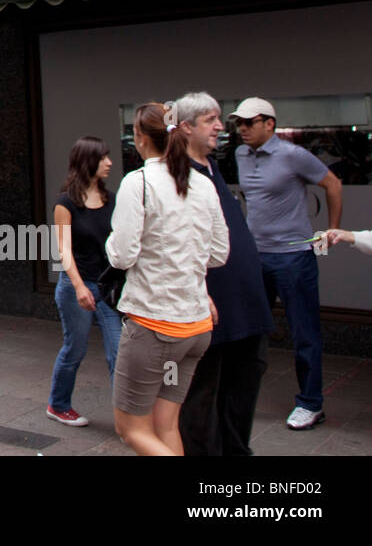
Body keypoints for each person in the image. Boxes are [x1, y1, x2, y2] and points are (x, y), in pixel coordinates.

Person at [106, 100, 229, 456]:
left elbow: (122, 255)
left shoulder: (139, 182)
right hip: (193, 334)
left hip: (153, 332)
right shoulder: (202, 183)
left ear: (139, 137)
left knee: (131, 429)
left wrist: (112, 239)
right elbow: (219, 254)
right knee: (166, 424)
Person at [231, 97, 342, 431]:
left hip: (294, 258)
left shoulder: (293, 155)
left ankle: (310, 404)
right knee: (250, 329)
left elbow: (332, 184)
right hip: (256, 256)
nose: (243, 128)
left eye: (250, 122)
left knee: (304, 332)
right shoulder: (239, 154)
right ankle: (241, 394)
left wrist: (331, 231)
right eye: (239, 123)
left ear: (270, 124)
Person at [175, 92, 273, 455]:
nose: (220, 126)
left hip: (246, 309)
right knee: (202, 399)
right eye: (209, 119)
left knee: (243, 388)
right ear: (186, 127)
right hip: (209, 312)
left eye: (219, 118)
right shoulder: (179, 176)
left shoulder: (213, 167)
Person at [47, 136, 121, 427]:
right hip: (76, 285)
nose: (109, 162)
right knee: (74, 349)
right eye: (103, 157)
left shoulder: (111, 199)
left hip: (107, 287)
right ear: (87, 161)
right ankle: (58, 404)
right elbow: (63, 250)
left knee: (118, 352)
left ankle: (127, 418)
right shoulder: (66, 203)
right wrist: (78, 286)